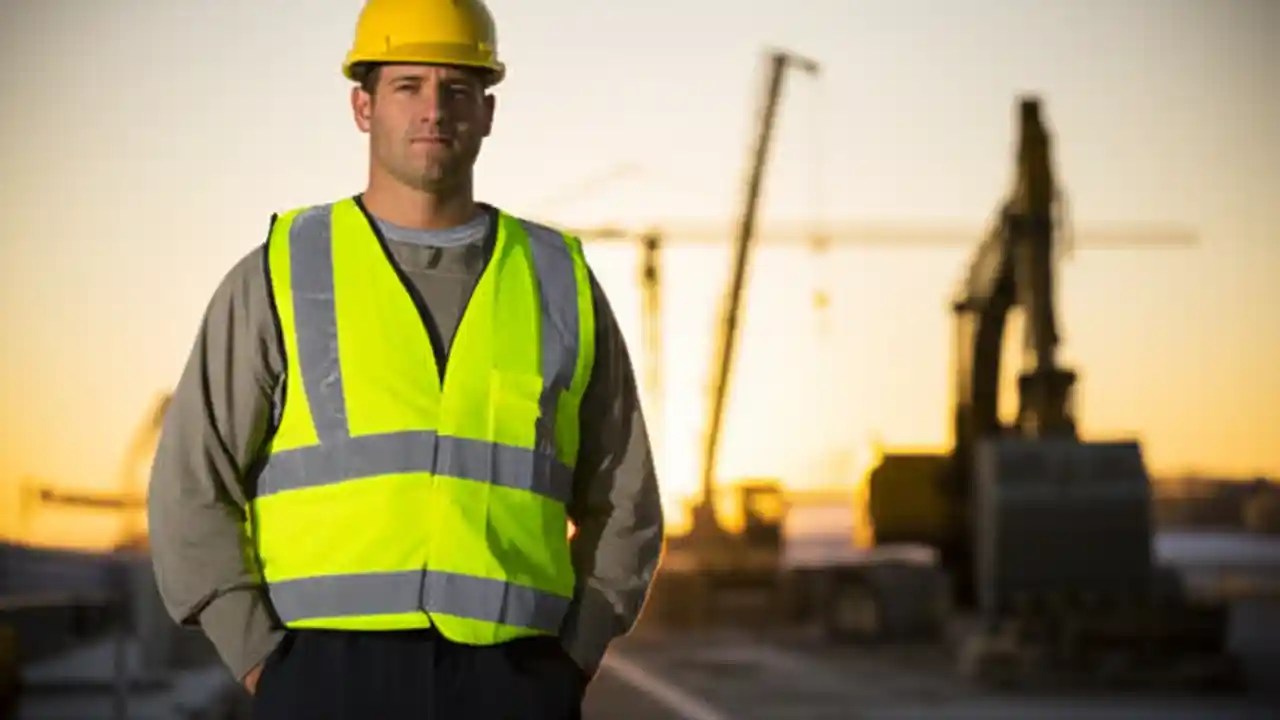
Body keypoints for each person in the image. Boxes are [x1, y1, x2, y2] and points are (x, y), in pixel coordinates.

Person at [145, 1, 665, 717]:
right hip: (323, 675)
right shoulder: (282, 273)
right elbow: (191, 489)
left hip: (512, 678)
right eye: (407, 86)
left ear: (488, 112)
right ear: (363, 107)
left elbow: (625, 497)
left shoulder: (557, 281)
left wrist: (571, 656)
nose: (434, 110)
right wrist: (266, 664)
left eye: (457, 88)